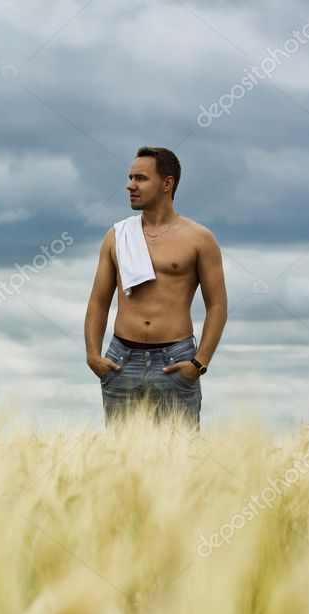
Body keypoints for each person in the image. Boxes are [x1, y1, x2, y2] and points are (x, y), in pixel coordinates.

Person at [84, 146, 227, 430]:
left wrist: (198, 364)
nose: (130, 185)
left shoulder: (199, 238)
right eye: (130, 177)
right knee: (121, 459)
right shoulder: (117, 236)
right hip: (121, 360)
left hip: (176, 360)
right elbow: (99, 301)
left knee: (181, 457)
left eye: (140, 178)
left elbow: (218, 306)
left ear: (167, 183)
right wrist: (93, 357)